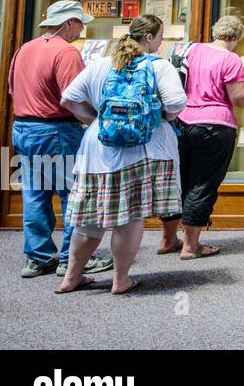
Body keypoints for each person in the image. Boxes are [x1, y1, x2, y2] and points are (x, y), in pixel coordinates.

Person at [56, 15, 186, 294]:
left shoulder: (101, 64)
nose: (162, 41)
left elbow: (68, 98)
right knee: (130, 217)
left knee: (88, 218)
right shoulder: (159, 66)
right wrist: (163, 117)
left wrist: (95, 120)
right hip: (142, 151)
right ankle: (120, 280)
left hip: (98, 151)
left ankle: (71, 277)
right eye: (160, 36)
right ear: (148, 38)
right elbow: (175, 103)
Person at [7, 0, 112, 279]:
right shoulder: (67, 52)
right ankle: (71, 259)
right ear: (68, 23)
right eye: (79, 24)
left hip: (24, 129)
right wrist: (97, 119)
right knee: (72, 194)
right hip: (57, 130)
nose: (81, 31)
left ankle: (37, 257)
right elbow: (73, 97)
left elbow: (11, 90)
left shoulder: (24, 49)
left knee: (34, 193)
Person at [158, 15, 244, 259]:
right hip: (215, 127)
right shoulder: (230, 59)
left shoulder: (190, 50)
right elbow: (239, 98)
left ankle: (168, 239)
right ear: (236, 37)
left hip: (181, 123)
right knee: (202, 183)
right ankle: (191, 246)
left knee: (178, 181)